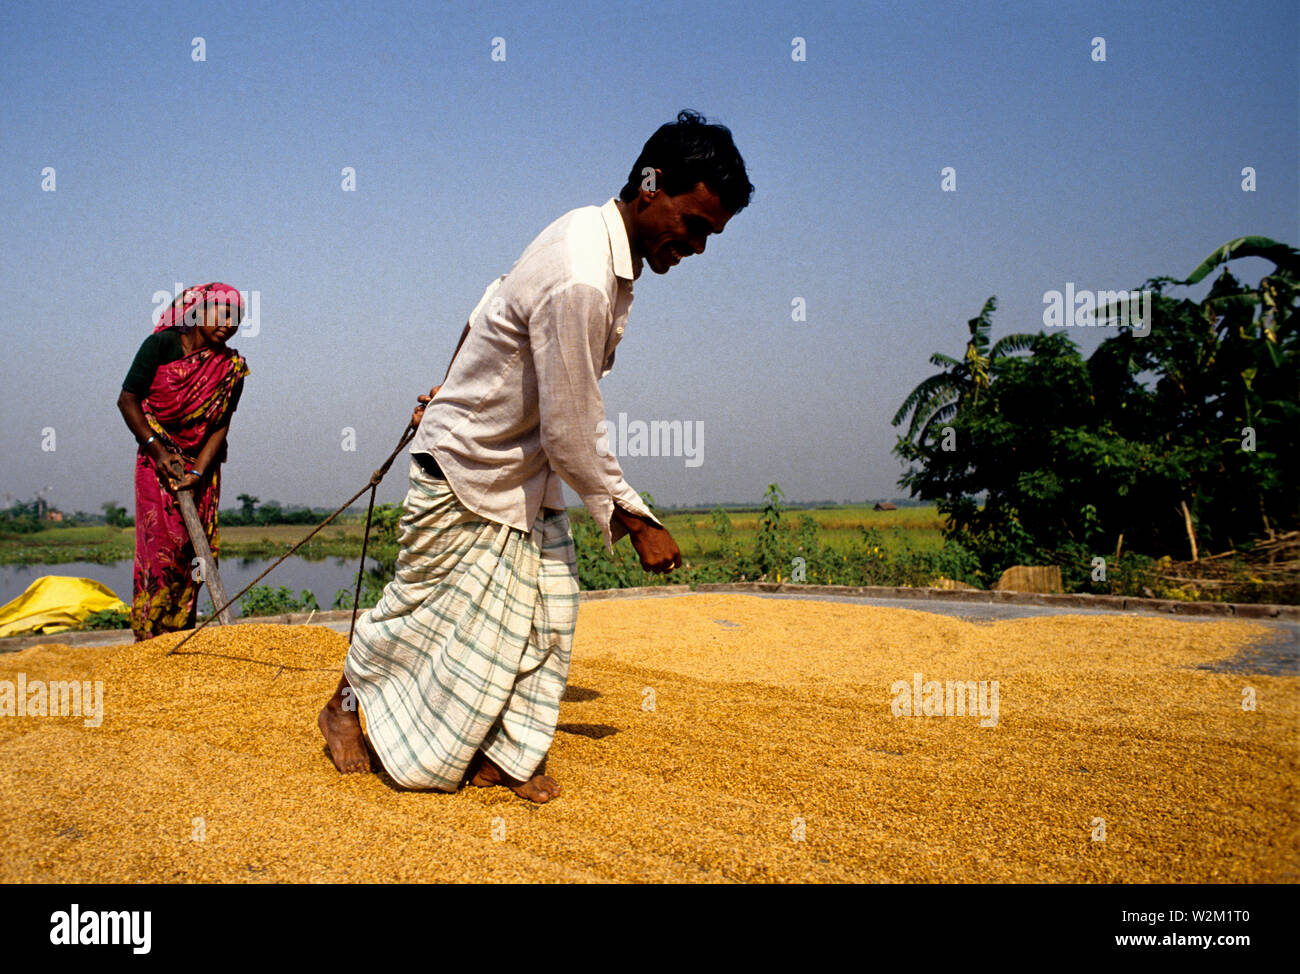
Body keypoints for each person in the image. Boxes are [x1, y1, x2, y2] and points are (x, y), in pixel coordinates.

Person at [319, 110, 752, 802]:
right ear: (651, 185)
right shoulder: (583, 274)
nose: (697, 246)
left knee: (546, 613)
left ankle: (502, 755)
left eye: (710, 235)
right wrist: (635, 519)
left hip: (520, 471)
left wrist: (452, 381)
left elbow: (491, 299)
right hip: (470, 467)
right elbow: (573, 428)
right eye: (694, 224)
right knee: (420, 612)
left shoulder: (589, 236)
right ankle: (345, 711)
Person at [117, 283, 249, 641]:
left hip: (200, 468)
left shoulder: (232, 367)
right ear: (196, 312)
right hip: (157, 461)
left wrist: (197, 471)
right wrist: (159, 453)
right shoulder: (160, 346)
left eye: (236, 317)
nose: (228, 322)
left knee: (194, 554)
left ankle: (182, 632)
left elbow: (220, 426)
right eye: (220, 312)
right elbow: (128, 401)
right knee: (161, 551)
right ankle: (150, 638)